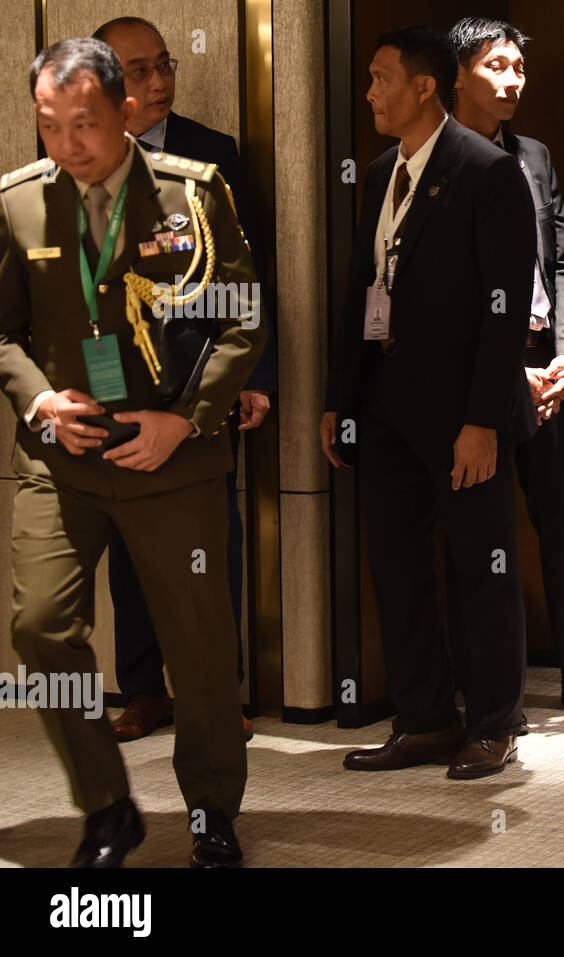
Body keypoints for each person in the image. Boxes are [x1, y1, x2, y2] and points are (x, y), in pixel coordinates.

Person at [1, 37, 265, 866]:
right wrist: (39, 399)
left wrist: (186, 418)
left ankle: (211, 809)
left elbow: (241, 319)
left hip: (171, 458)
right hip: (61, 458)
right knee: (41, 628)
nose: (66, 144)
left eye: (83, 123)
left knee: (200, 646)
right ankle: (107, 805)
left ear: (124, 110)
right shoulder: (14, 203)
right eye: (49, 126)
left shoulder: (194, 192)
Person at [320, 26, 535, 779]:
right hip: (384, 407)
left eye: (380, 78)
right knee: (398, 564)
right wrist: (338, 396)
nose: (370, 91)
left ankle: (495, 722)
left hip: (463, 411)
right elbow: (360, 290)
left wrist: (482, 421)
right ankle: (424, 719)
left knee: (483, 567)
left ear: (422, 87)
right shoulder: (381, 172)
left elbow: (505, 311)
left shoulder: (488, 171)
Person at [93, 14, 276, 744]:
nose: (160, 79)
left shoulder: (213, 155)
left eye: (163, 64)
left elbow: (249, 277)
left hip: (200, 384)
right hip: (112, 383)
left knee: (210, 545)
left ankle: (214, 692)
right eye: (138, 70)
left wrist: (252, 375)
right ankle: (143, 689)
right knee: (129, 543)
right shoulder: (80, 158)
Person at [447, 16, 564, 719]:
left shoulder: (535, 157)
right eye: (496, 66)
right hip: (480, 373)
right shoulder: (441, 161)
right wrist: (499, 372)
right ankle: (493, 690)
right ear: (458, 74)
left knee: (563, 523)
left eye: (519, 68)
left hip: (545, 363)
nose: (512, 80)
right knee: (480, 533)